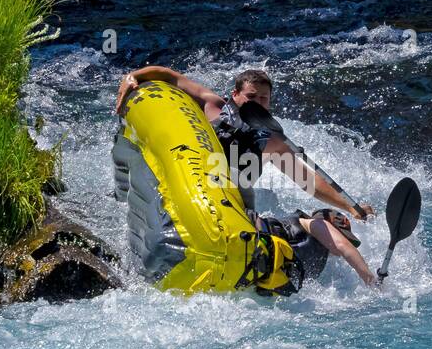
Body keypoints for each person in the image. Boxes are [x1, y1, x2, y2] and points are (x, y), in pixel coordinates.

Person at [115, 66, 379, 288]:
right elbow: (172, 78)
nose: (258, 103)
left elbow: (308, 182)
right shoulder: (213, 108)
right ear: (236, 95)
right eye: (252, 96)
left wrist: (349, 207)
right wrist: (134, 76)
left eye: (265, 99)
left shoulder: (272, 141)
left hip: (237, 203)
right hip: (195, 186)